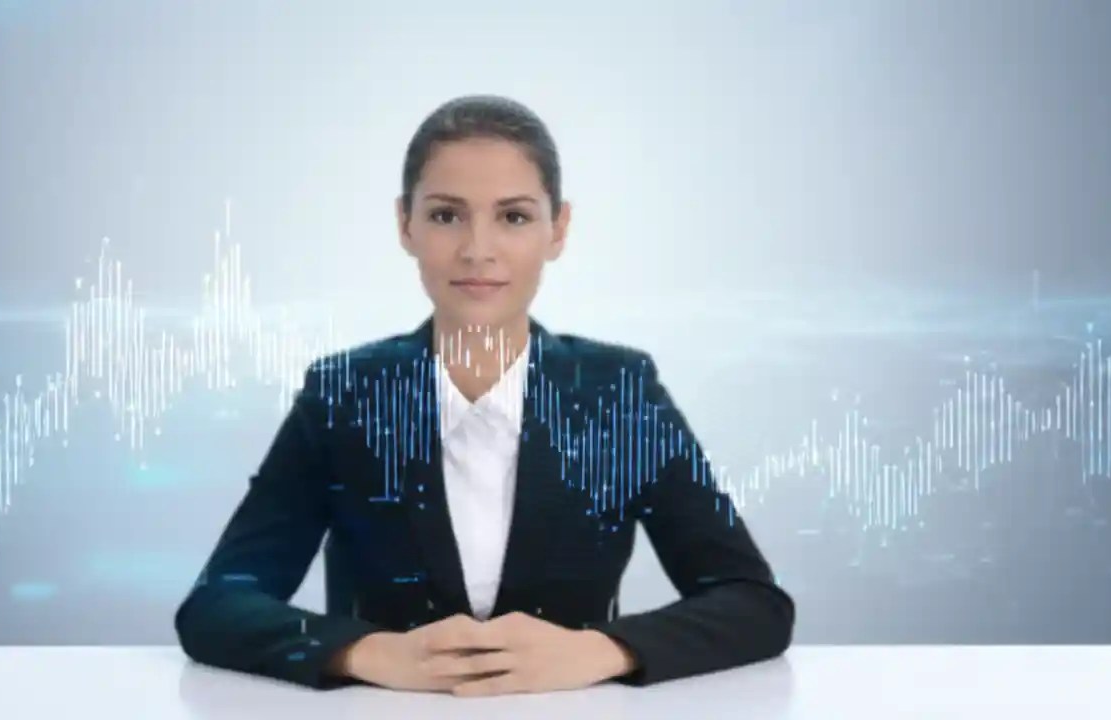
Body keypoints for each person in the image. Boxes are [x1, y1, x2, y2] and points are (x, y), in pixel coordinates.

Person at [173, 94, 795, 697]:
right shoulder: (345, 397)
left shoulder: (618, 394)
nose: (477, 249)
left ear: (559, 229)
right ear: (404, 224)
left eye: (514, 216)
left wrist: (597, 651)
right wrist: (367, 653)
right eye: (446, 215)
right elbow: (219, 603)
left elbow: (752, 602)